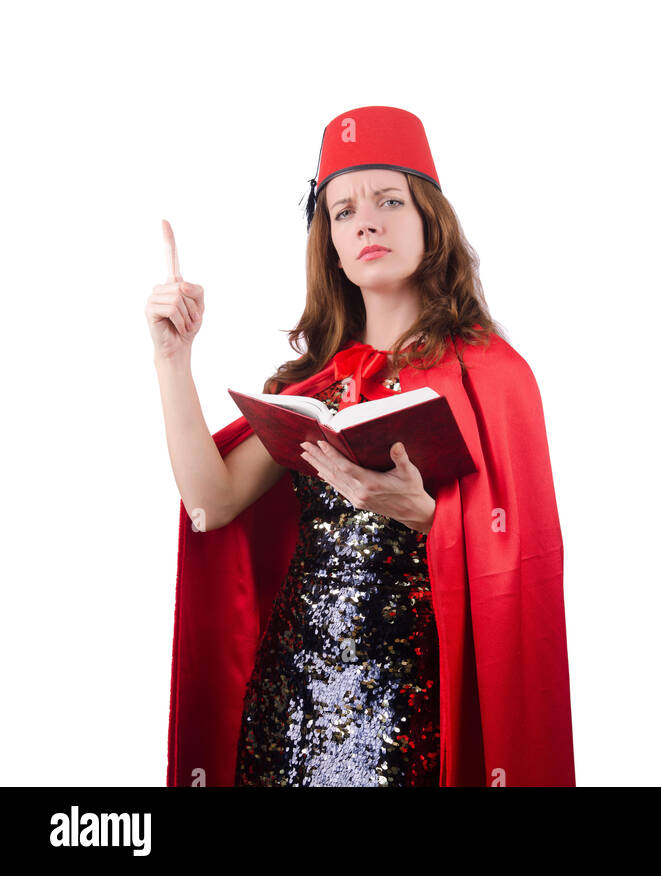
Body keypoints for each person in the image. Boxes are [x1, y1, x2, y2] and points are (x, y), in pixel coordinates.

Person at [150, 105, 574, 787]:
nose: (366, 221)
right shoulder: (313, 387)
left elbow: (525, 566)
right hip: (285, 708)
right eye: (343, 211)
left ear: (430, 223)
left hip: (415, 719)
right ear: (333, 245)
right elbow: (211, 502)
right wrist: (173, 359)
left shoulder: (496, 377)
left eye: (388, 200)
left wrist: (429, 519)